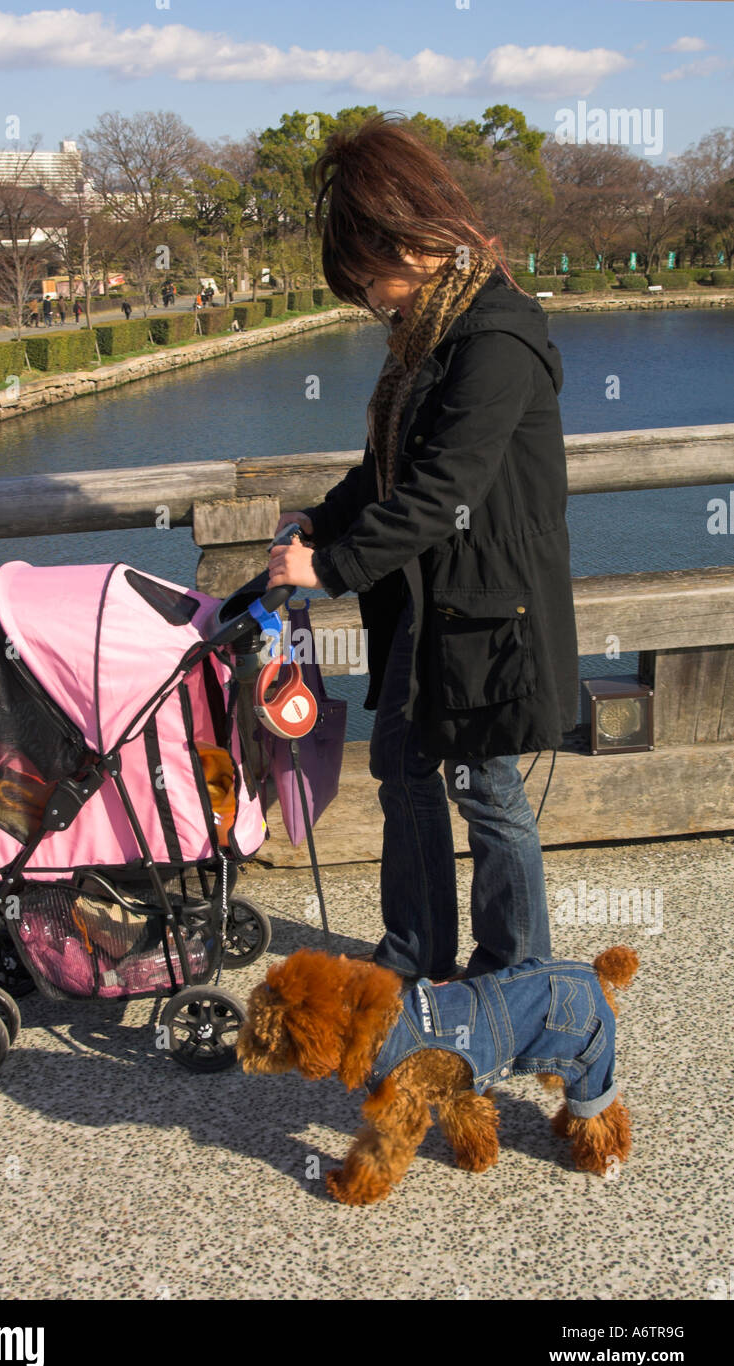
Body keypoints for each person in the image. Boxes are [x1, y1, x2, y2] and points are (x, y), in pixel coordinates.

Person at [267, 114, 578, 985]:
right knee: (401, 771)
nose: (374, 300)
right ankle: (413, 955)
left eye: (370, 278)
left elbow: (442, 490)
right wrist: (319, 524)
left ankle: (515, 977)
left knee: (486, 791)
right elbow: (384, 473)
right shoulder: (429, 339)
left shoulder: (496, 335)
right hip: (423, 600)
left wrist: (328, 570)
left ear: (406, 238)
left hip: (489, 604)